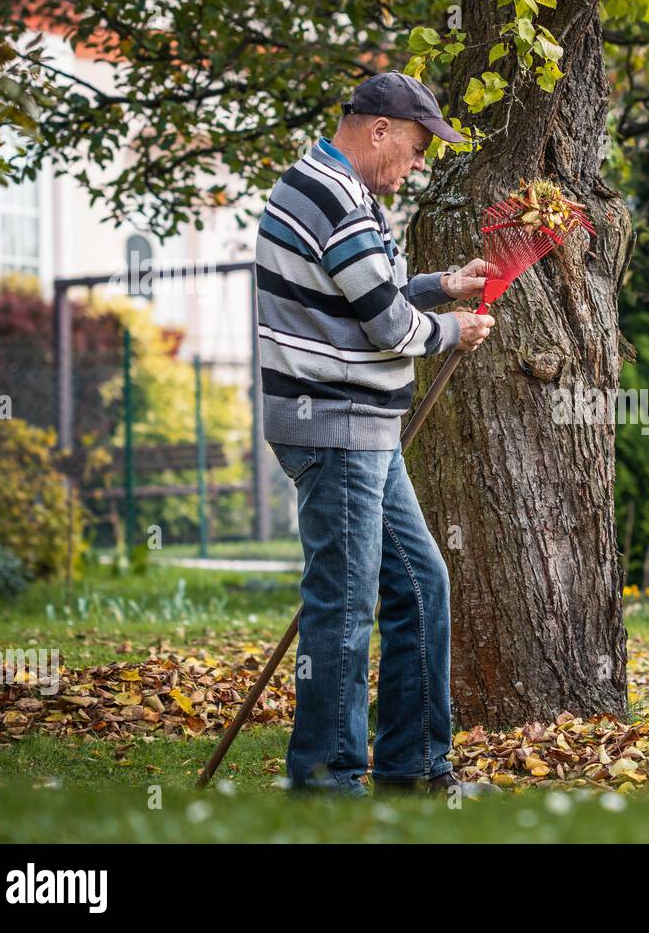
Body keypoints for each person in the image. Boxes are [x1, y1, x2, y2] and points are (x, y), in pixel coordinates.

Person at [254, 71, 496, 797]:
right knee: (346, 603)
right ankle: (327, 781)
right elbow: (389, 328)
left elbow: (367, 293)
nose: (418, 164)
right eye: (417, 149)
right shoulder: (336, 197)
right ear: (380, 129)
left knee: (420, 583)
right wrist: (454, 330)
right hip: (338, 426)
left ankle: (414, 768)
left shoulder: (332, 188)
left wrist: (443, 284)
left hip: (360, 429)